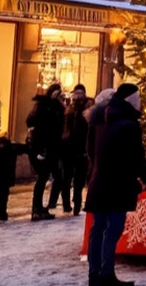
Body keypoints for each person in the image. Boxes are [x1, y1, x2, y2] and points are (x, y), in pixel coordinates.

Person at [86, 83, 146, 286]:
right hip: (118, 184)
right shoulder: (129, 124)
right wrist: (144, 178)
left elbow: (90, 151)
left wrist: (97, 169)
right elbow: (136, 158)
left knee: (99, 227)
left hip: (99, 181)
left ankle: (95, 274)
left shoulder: (99, 119)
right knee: (113, 229)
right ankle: (106, 274)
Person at [26, 83, 65, 220]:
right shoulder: (46, 107)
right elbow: (33, 122)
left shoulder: (56, 108)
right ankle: (37, 208)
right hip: (44, 147)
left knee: (50, 177)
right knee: (43, 178)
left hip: (51, 147)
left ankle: (41, 207)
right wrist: (42, 147)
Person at [59, 84, 92, 215]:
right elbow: (65, 128)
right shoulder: (69, 109)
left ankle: (77, 203)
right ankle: (66, 203)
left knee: (79, 180)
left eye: (80, 93)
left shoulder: (88, 109)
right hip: (69, 148)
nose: (78, 96)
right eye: (76, 94)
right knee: (66, 178)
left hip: (82, 148)